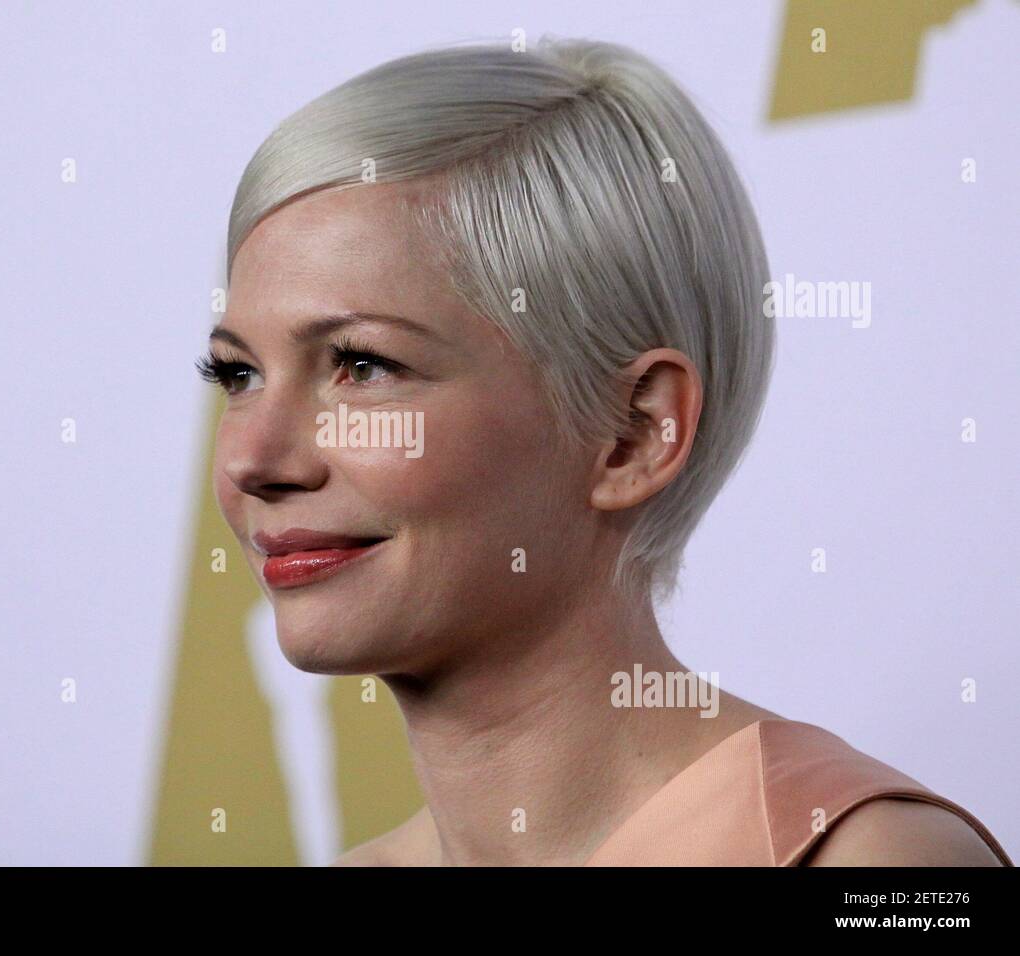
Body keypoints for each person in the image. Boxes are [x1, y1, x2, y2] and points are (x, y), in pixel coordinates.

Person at [196, 37, 1011, 866]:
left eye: (362, 366)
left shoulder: (878, 863)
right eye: (238, 372)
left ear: (633, 432)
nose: (253, 460)